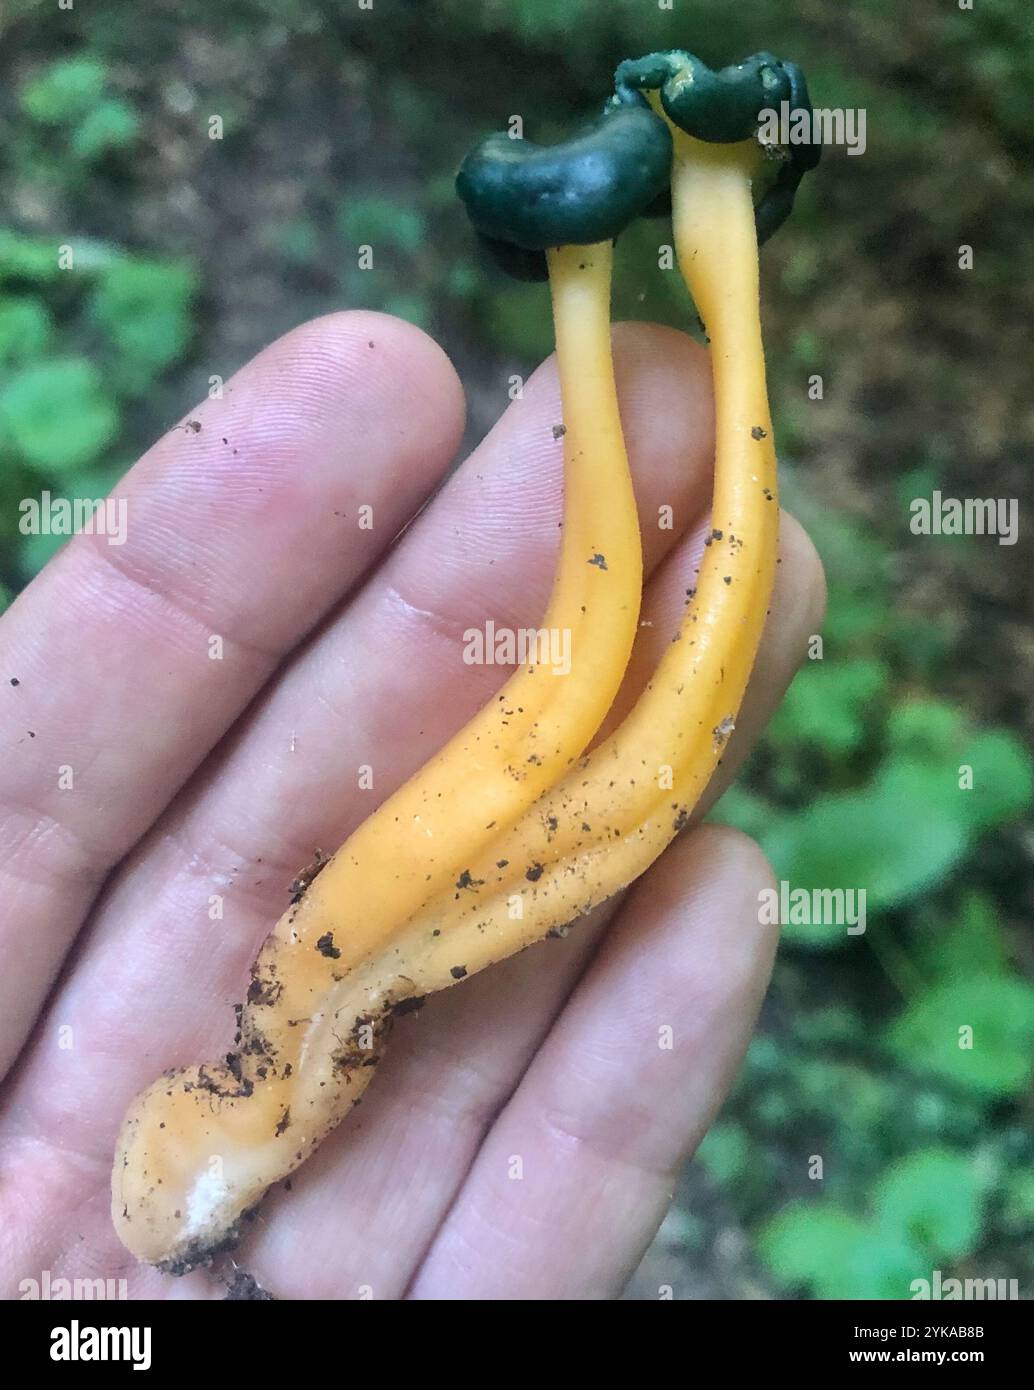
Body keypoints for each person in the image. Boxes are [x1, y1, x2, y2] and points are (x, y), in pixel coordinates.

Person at [0, 311, 823, 1299]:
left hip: (310, 1050)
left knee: (639, 759)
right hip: (294, 1058)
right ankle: (264, 1107)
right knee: (594, 732)